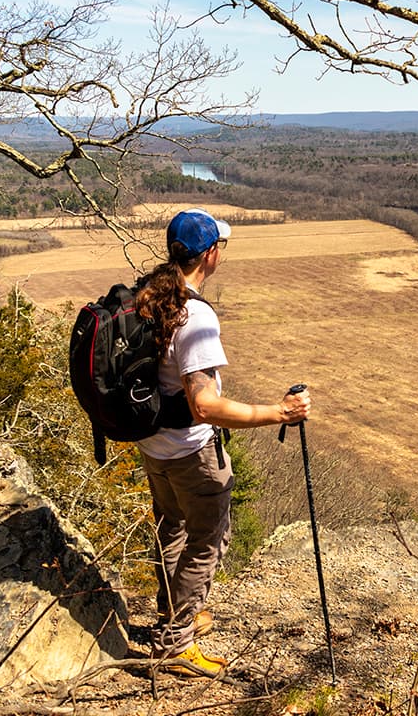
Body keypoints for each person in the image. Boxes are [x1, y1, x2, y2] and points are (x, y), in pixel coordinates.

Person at [133, 208, 311, 675]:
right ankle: (176, 643)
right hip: (191, 452)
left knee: (172, 529)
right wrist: (279, 412)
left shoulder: (149, 297)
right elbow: (205, 406)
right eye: (220, 246)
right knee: (207, 541)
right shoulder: (195, 317)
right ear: (210, 254)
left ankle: (173, 613)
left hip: (153, 445)